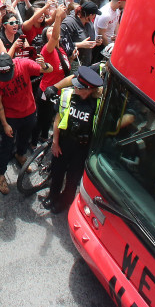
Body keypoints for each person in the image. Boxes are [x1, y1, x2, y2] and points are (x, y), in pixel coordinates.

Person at [0, 53, 52, 194]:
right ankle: (0, 173)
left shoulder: (23, 63)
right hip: (11, 116)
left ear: (13, 65)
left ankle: (20, 155)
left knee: (25, 137)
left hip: (29, 110)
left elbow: (49, 70)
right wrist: (5, 124)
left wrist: (44, 65)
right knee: (6, 145)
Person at [41, 65, 104, 213]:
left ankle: (64, 201)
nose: (75, 88)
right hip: (64, 142)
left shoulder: (97, 105)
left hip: (82, 148)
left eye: (79, 87)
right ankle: (52, 195)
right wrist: (55, 142)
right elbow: (58, 119)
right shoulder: (67, 96)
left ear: (89, 90)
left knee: (72, 179)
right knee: (57, 172)